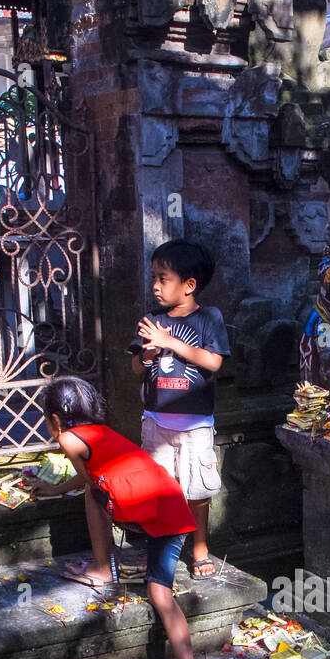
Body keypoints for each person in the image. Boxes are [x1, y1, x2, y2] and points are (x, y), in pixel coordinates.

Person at [32, 375, 202, 659]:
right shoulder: (102, 432)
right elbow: (91, 479)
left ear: (54, 419)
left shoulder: (69, 439)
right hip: (171, 508)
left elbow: (90, 481)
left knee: (161, 596)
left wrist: (55, 488)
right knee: (159, 590)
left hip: (161, 517)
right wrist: (55, 489)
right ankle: (102, 568)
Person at [128, 239, 230, 578]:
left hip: (195, 423)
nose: (155, 286)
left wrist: (170, 342)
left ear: (189, 286)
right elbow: (136, 369)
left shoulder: (209, 318)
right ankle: (162, 548)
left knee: (197, 491)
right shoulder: (151, 319)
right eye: (154, 278)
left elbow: (213, 362)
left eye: (164, 278)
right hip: (156, 420)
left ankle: (199, 548)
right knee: (162, 488)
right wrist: (147, 355)